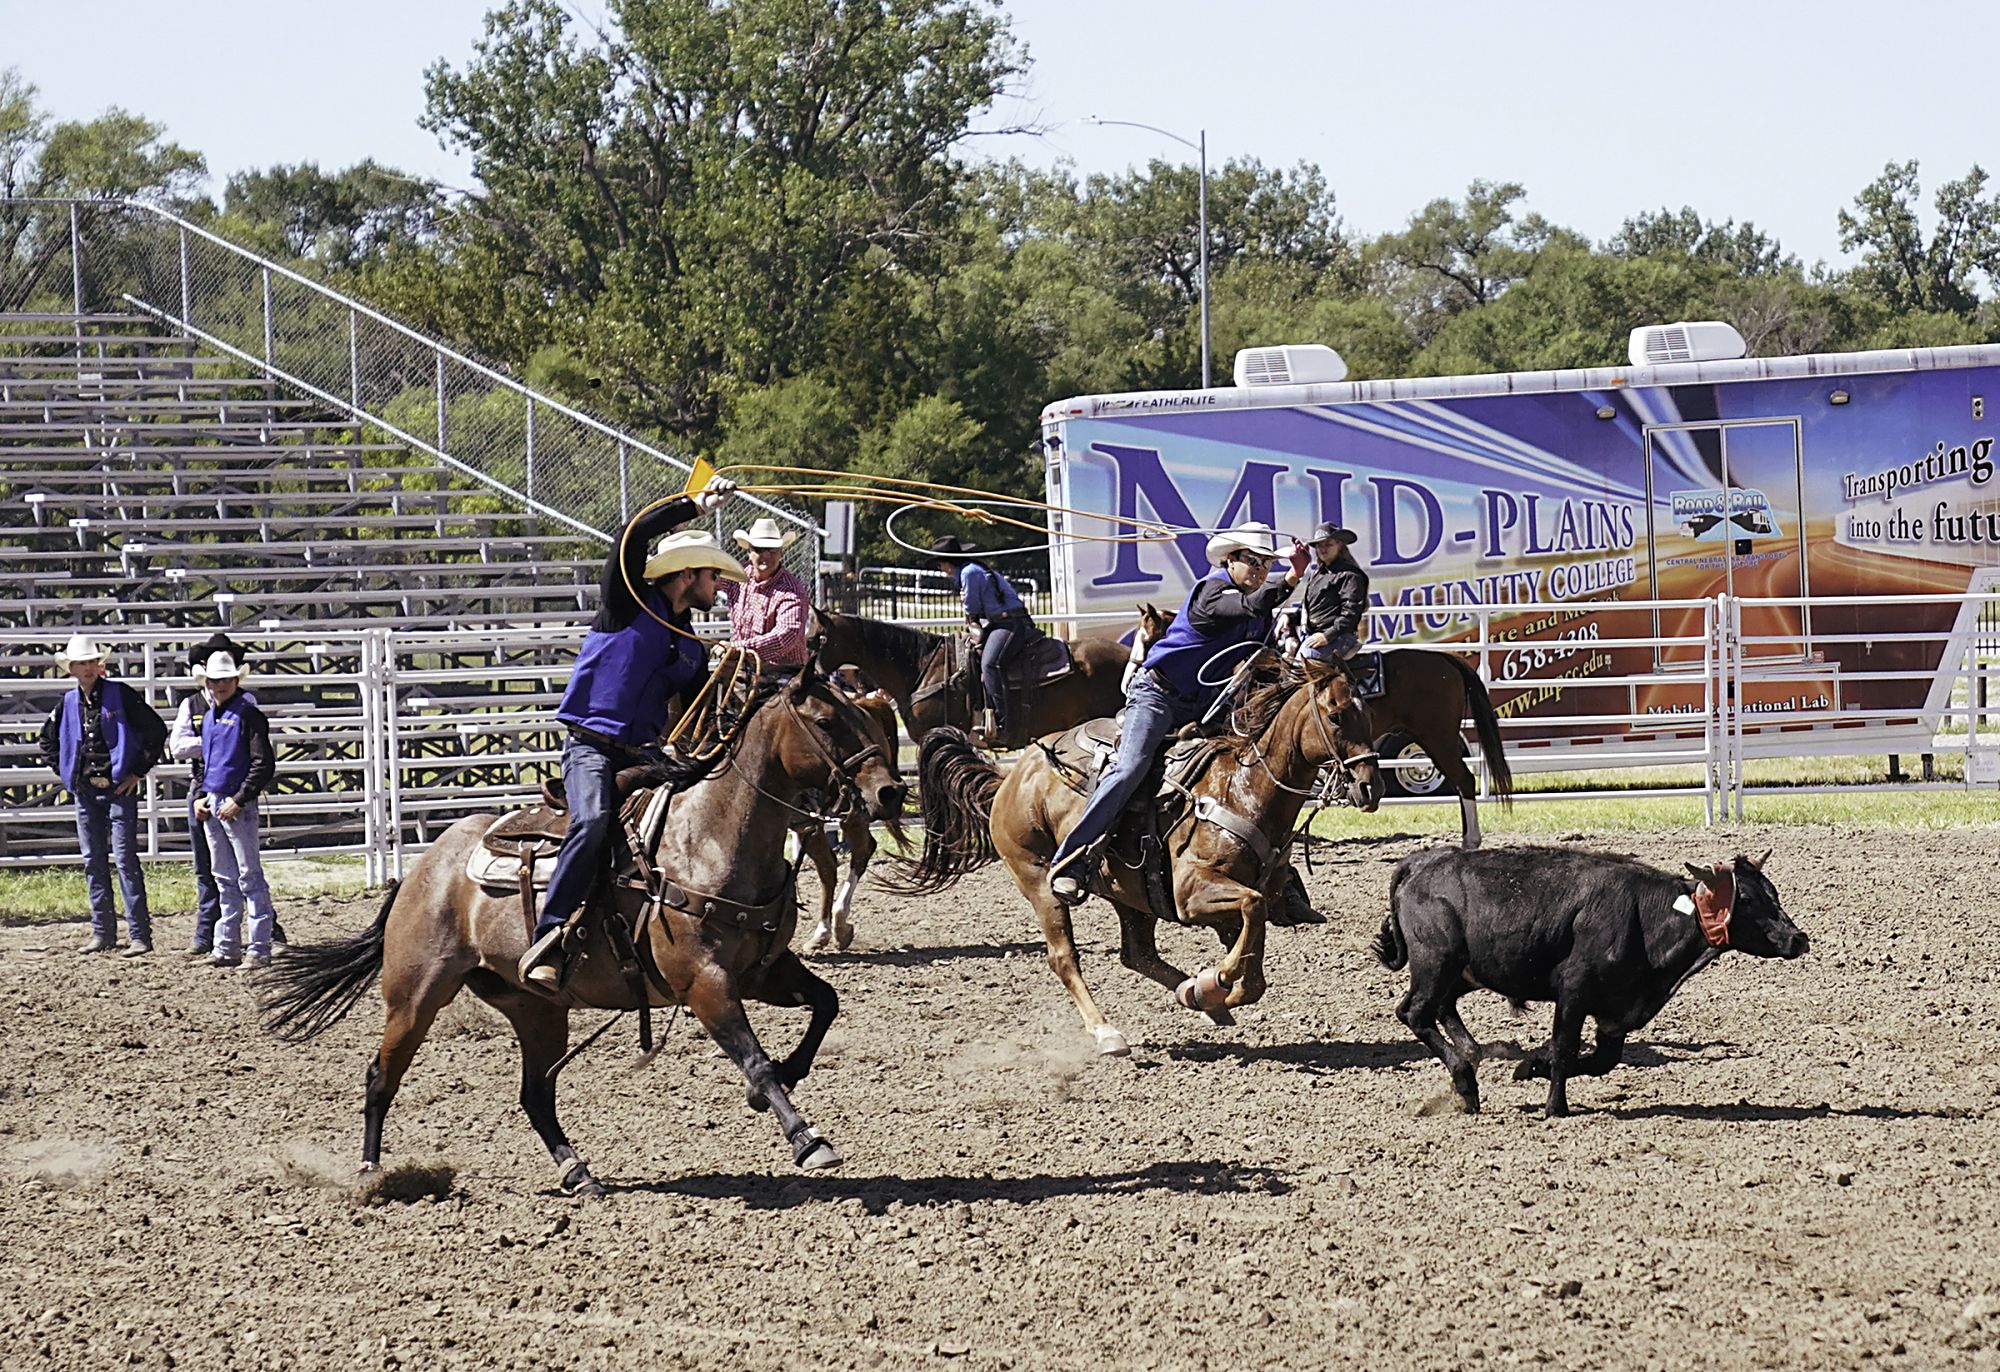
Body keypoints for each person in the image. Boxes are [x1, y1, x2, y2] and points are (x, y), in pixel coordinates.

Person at [519, 478, 742, 989]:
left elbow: (698, 714)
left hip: (645, 753)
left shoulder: (693, 646)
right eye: (713, 575)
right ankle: (549, 934)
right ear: (687, 574)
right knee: (594, 820)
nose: (719, 585)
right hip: (591, 745)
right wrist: (692, 504)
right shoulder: (627, 601)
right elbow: (629, 536)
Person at [1046, 523, 1307, 905]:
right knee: (1130, 767)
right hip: (1158, 695)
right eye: (1253, 561)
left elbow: (1252, 650)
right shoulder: (1213, 590)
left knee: (1253, 768)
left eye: (1267, 564)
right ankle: (1072, 860)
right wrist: (1292, 578)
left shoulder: (1256, 610)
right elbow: (1250, 605)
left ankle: (1277, 874)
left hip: (1207, 703)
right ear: (1230, 560)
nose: (1260, 570)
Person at [38, 634, 168, 955]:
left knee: (124, 859)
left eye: (90, 662)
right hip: (86, 792)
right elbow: (47, 742)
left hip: (118, 789)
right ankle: (104, 932)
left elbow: (155, 731)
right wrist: (69, 773)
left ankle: (138, 934)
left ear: (100, 665)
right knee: (94, 861)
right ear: (72, 669)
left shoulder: (120, 694)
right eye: (80, 663)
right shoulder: (68, 704)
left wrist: (137, 771)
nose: (86, 668)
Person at [193, 650, 280, 970]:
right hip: (219, 800)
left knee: (245, 876)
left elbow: (263, 763)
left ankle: (256, 947)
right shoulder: (217, 716)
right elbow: (209, 763)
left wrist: (239, 798)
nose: (219, 685)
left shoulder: (245, 715)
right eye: (215, 681)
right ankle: (230, 946)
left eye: (224, 680)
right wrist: (204, 794)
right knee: (227, 877)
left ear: (234, 680)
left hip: (232, 802)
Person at [172, 631, 257, 958]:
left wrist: (211, 744)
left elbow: (183, 746)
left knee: (243, 866)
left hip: (232, 788)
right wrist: (218, 743)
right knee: (209, 866)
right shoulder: (191, 704)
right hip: (202, 787)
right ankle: (208, 933)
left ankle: (261, 931)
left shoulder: (246, 704)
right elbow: (177, 747)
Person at [932, 534, 1036, 741]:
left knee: (991, 664)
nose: (940, 569)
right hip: (1000, 622)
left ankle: (1006, 721)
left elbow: (973, 607)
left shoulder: (969, 573)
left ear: (947, 563)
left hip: (1009, 623)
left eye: (940, 564)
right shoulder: (970, 570)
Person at [727, 515, 811, 674]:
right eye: (759, 549)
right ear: (749, 551)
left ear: (781, 552)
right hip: (744, 668)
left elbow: (787, 634)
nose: (765, 555)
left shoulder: (792, 591)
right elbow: (708, 576)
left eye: (772, 550)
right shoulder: (737, 576)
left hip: (785, 673)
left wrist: (740, 648)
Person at [1296, 521, 1370, 662]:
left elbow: (1351, 614)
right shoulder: (1317, 574)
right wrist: (1289, 618)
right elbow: (1309, 609)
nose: (1323, 549)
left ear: (1340, 545)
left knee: (1301, 664)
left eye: (1328, 544)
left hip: (1340, 637)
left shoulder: (1350, 575)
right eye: (1319, 545)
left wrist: (1327, 636)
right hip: (1314, 635)